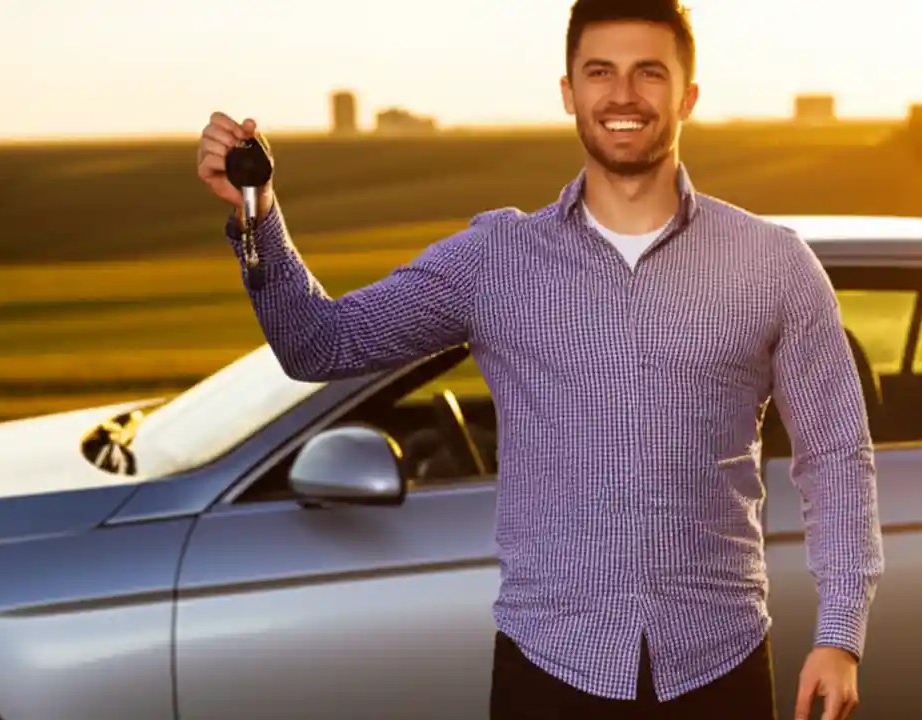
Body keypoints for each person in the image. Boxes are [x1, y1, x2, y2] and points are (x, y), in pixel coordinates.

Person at [195, 0, 884, 717]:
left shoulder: (773, 265)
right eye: (600, 72)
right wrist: (255, 210)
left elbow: (835, 454)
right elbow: (322, 343)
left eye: (649, 73)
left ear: (688, 96)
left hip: (718, 667)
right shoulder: (495, 262)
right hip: (549, 670)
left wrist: (840, 634)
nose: (623, 95)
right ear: (568, 92)